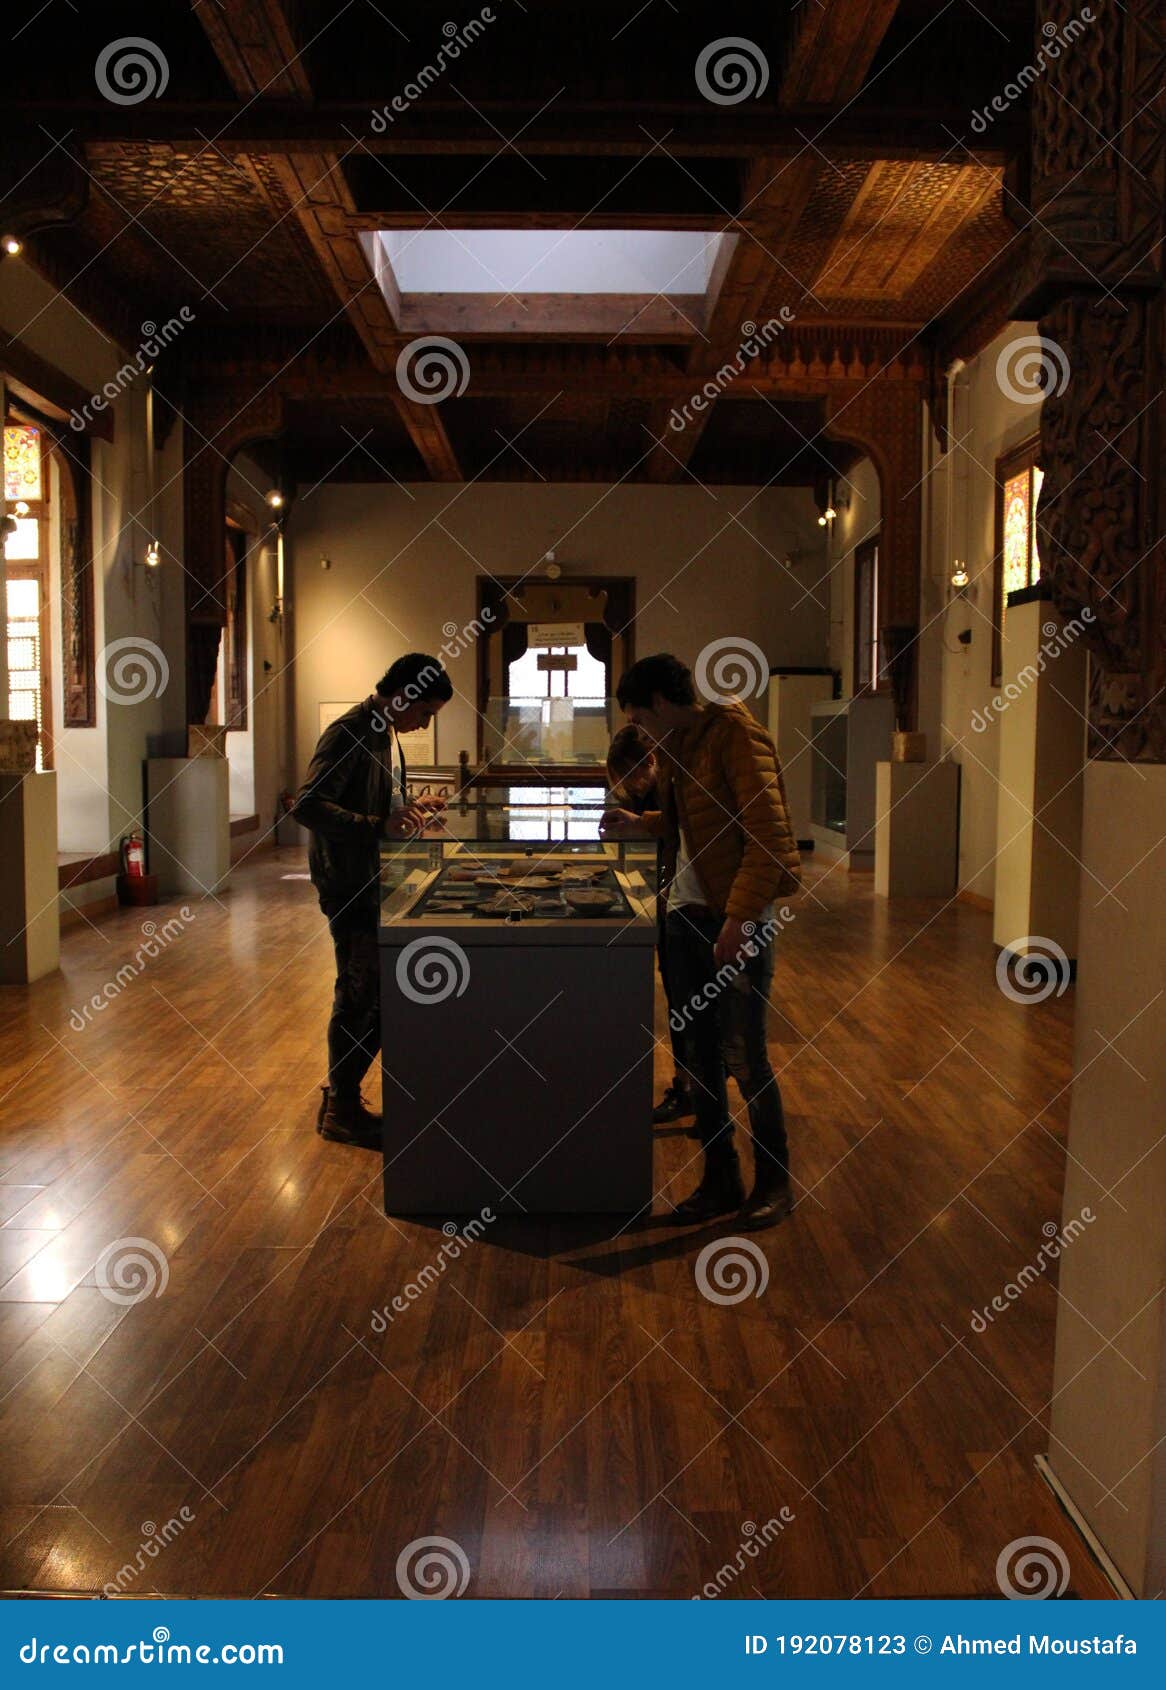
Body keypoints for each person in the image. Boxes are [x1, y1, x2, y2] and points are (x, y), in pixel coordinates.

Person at [602, 653, 801, 1230]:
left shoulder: (736, 735)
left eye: (641, 717)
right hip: (686, 914)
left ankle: (773, 1182)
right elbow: (691, 822)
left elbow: (769, 838)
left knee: (745, 1057)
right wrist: (639, 823)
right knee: (698, 1057)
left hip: (728, 918)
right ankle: (720, 1178)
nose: (639, 731)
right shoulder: (682, 743)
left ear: (662, 704)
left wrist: (739, 919)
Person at [293, 653, 453, 1148]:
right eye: (424, 712)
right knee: (360, 994)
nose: (423, 723)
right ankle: (341, 1106)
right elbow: (309, 806)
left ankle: (343, 1098)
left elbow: (369, 801)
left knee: (377, 997)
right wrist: (376, 826)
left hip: (368, 879)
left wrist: (407, 808)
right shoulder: (350, 732)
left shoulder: (381, 733)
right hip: (349, 884)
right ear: (403, 696)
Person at [605, 725, 694, 1127]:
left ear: (647, 764)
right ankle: (691, 1086)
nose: (626, 785)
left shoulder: (671, 785)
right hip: (671, 901)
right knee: (681, 1000)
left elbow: (674, 831)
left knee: (689, 1003)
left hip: (684, 902)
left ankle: (696, 1091)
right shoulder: (651, 789)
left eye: (629, 774)